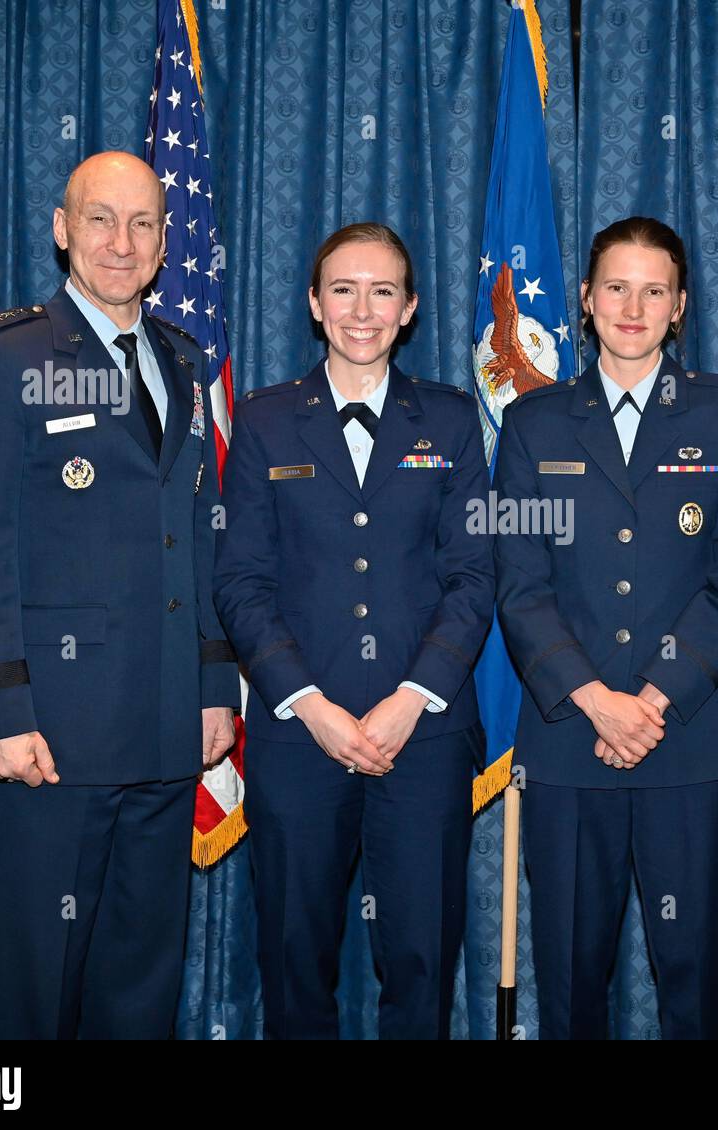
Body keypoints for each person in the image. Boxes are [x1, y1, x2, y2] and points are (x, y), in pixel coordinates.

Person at [0, 151, 239, 1039]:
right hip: (51, 731)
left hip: (166, 722)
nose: (122, 242)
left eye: (143, 224)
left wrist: (215, 687)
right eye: (100, 219)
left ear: (163, 242)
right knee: (30, 979)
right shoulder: (5, 355)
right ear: (63, 229)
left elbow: (201, 536)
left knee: (140, 975)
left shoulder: (183, 361)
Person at [493, 217, 718, 1039]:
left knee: (692, 981)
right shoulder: (534, 424)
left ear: (680, 307)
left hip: (689, 740)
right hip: (570, 744)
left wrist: (649, 701)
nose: (633, 306)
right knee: (573, 982)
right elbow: (520, 582)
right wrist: (597, 703)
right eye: (616, 286)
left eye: (655, 290)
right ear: (584, 299)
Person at [213, 222, 494, 1039]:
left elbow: (474, 576)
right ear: (313, 303)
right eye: (343, 289)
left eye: (382, 291)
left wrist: (411, 701)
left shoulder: (448, 420)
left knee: (421, 961)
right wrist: (312, 706)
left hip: (426, 740)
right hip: (299, 739)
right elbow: (240, 580)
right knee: (296, 960)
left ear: (409, 309)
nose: (361, 310)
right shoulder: (266, 421)